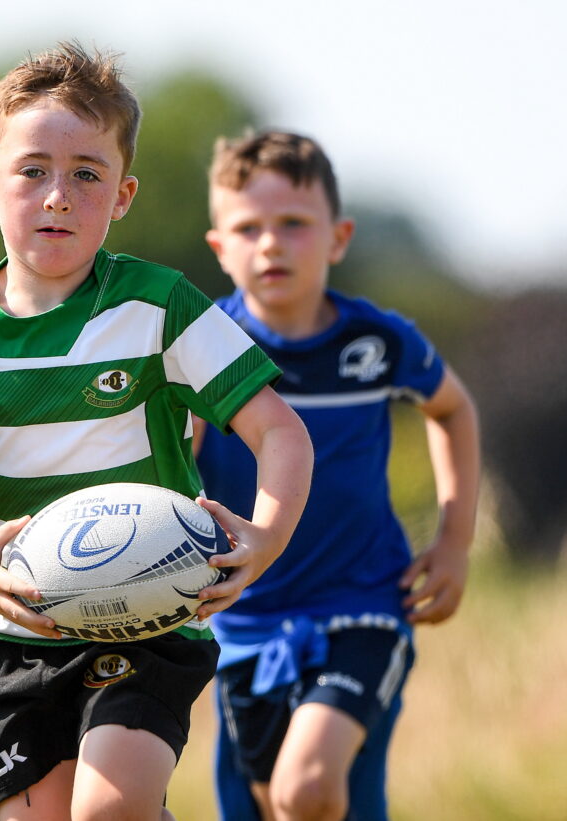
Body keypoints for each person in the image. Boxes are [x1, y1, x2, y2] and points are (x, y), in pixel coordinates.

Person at [0, 42, 314, 821]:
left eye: (87, 174)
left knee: (107, 810)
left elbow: (282, 433)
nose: (58, 195)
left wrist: (265, 537)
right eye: (32, 170)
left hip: (144, 616)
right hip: (5, 637)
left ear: (123, 194)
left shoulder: (159, 307)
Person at [195, 131, 481, 821]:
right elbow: (170, 466)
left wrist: (454, 540)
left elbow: (454, 409)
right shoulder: (201, 349)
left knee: (306, 788)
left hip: (365, 606)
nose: (271, 243)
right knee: (278, 806)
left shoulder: (377, 343)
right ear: (220, 247)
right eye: (248, 228)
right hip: (243, 623)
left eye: (293, 224)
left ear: (339, 236)